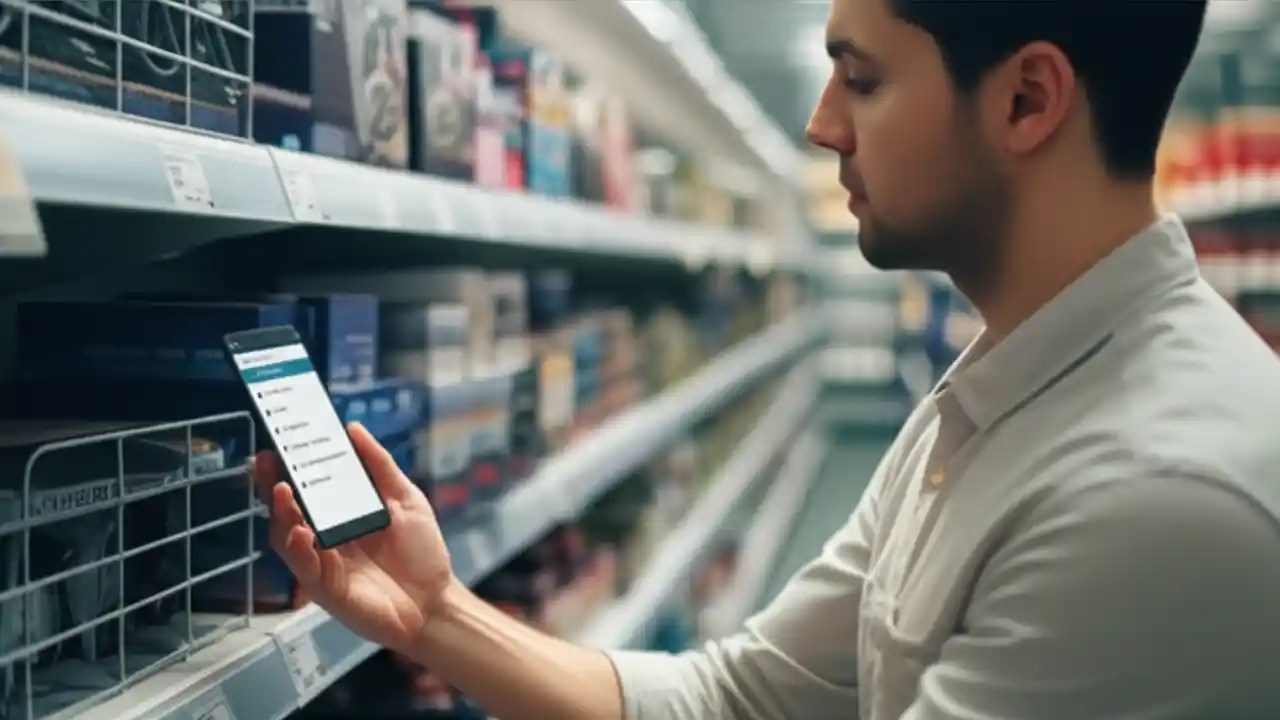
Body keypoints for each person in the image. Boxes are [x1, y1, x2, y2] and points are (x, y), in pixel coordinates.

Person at [254, 1, 1280, 718]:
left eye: (861, 78)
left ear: (1024, 101)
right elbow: (746, 699)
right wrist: (436, 615)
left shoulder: (1151, 501)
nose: (820, 124)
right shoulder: (992, 397)